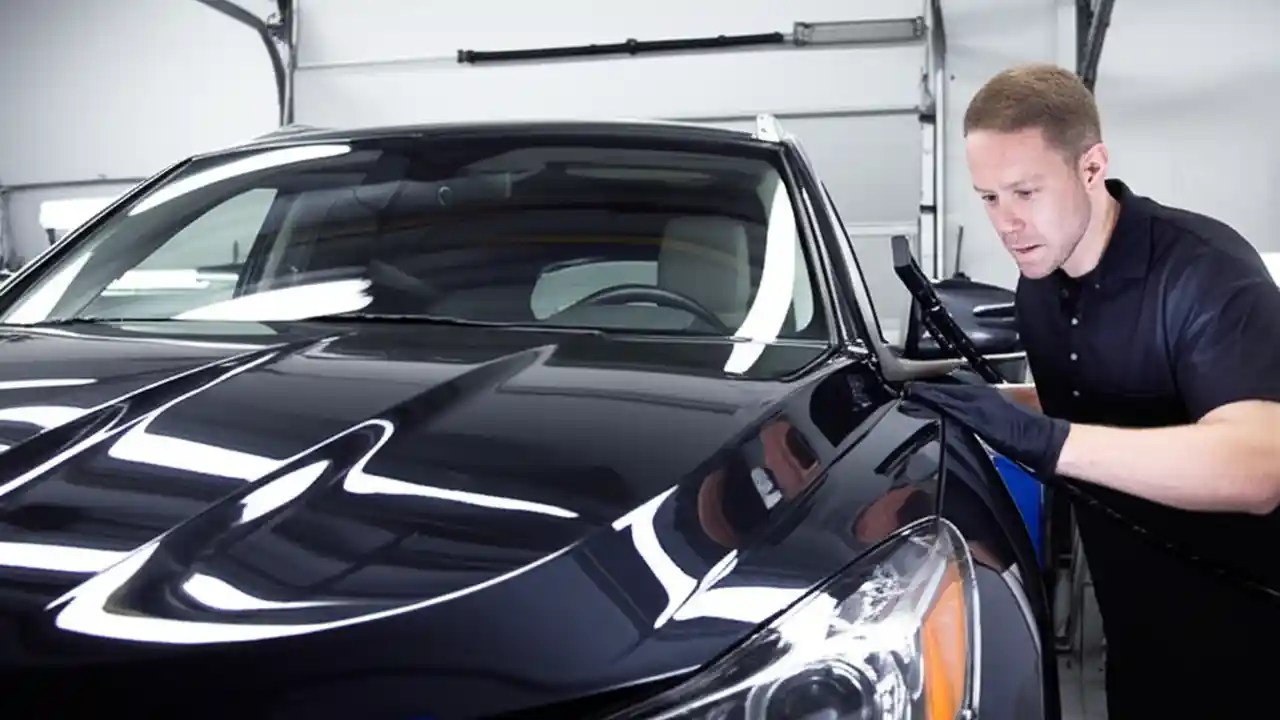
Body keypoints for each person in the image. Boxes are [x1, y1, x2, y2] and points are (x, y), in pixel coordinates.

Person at [903, 63, 1280, 717]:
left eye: (1025, 192)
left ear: (1091, 167)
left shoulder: (1204, 272)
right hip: (1136, 635)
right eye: (989, 198)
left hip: (1254, 637)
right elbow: (1095, 408)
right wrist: (984, 404)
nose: (1006, 222)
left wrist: (1044, 439)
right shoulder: (1038, 289)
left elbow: (1260, 465)